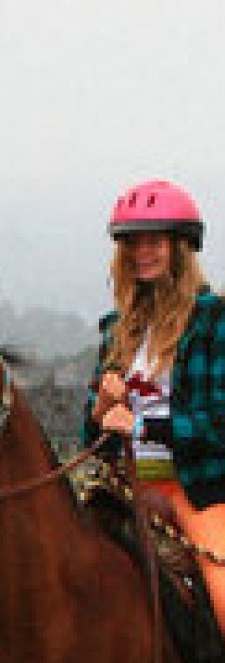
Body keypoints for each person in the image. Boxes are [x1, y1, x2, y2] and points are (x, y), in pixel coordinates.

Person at [84, 178, 225, 638]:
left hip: (194, 488)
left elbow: (218, 425)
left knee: (223, 596)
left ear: (180, 248)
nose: (141, 252)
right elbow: (94, 436)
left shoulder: (213, 320)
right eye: (132, 243)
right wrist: (100, 410)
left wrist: (145, 426)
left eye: (154, 241)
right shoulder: (116, 329)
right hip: (122, 485)